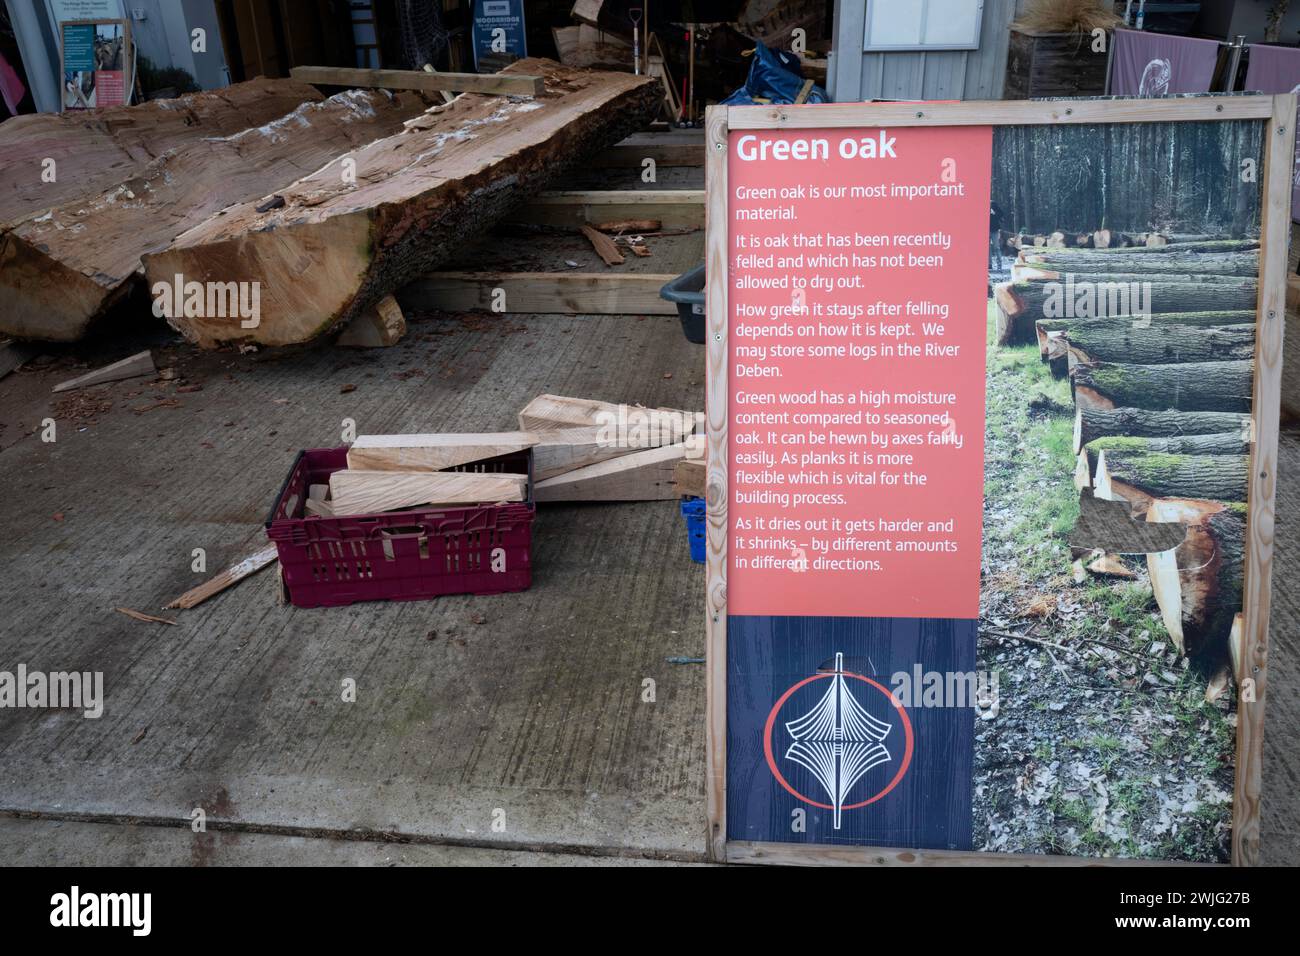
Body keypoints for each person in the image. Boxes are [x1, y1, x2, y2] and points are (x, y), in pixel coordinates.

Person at [989, 200, 1005, 271]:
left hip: (994, 230)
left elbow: (1001, 214)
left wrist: (994, 213)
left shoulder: (993, 204)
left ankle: (999, 265)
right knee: (987, 248)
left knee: (996, 247)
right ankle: (989, 265)